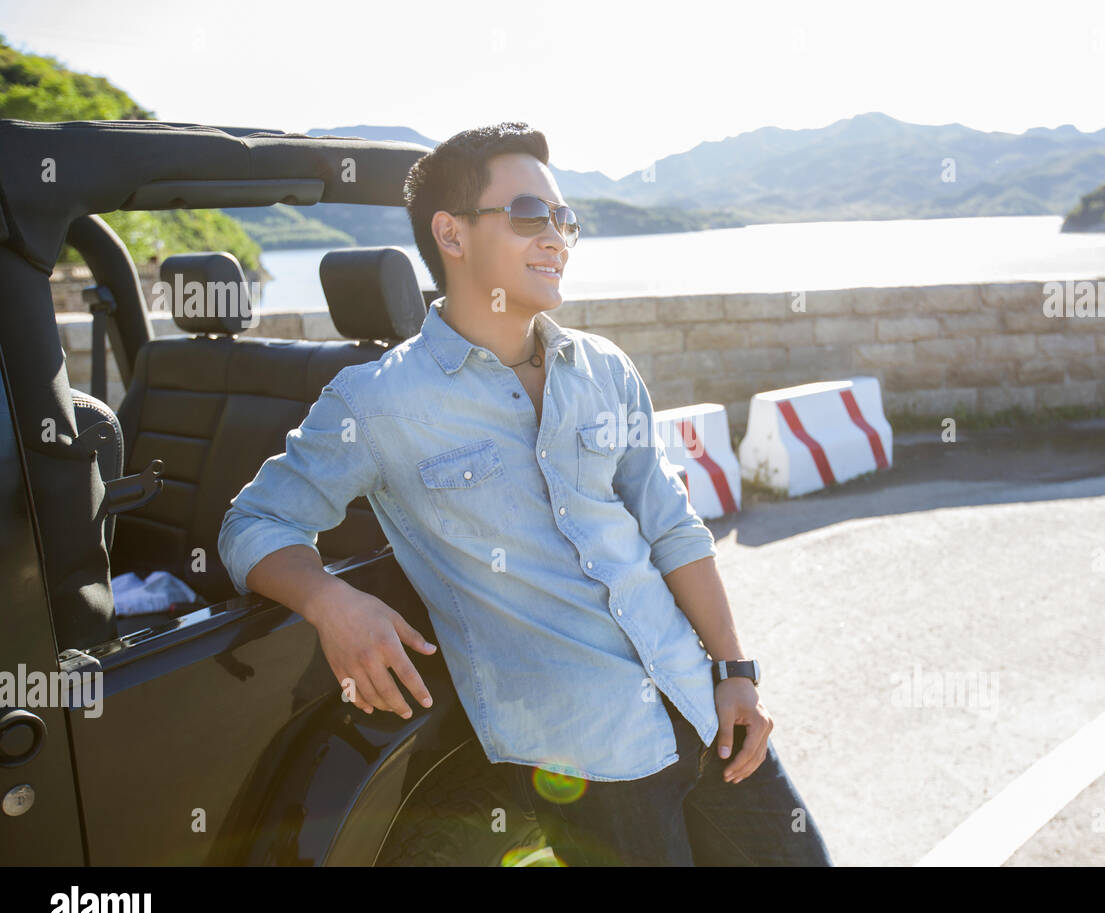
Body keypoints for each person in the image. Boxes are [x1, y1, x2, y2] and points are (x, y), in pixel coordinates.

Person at [218, 121, 832, 866]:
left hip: (701, 705)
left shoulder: (603, 367)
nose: (557, 237)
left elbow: (673, 528)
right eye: (530, 216)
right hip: (585, 760)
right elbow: (254, 520)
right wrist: (330, 603)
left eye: (565, 219)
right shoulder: (375, 403)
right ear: (451, 233)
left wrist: (735, 673)